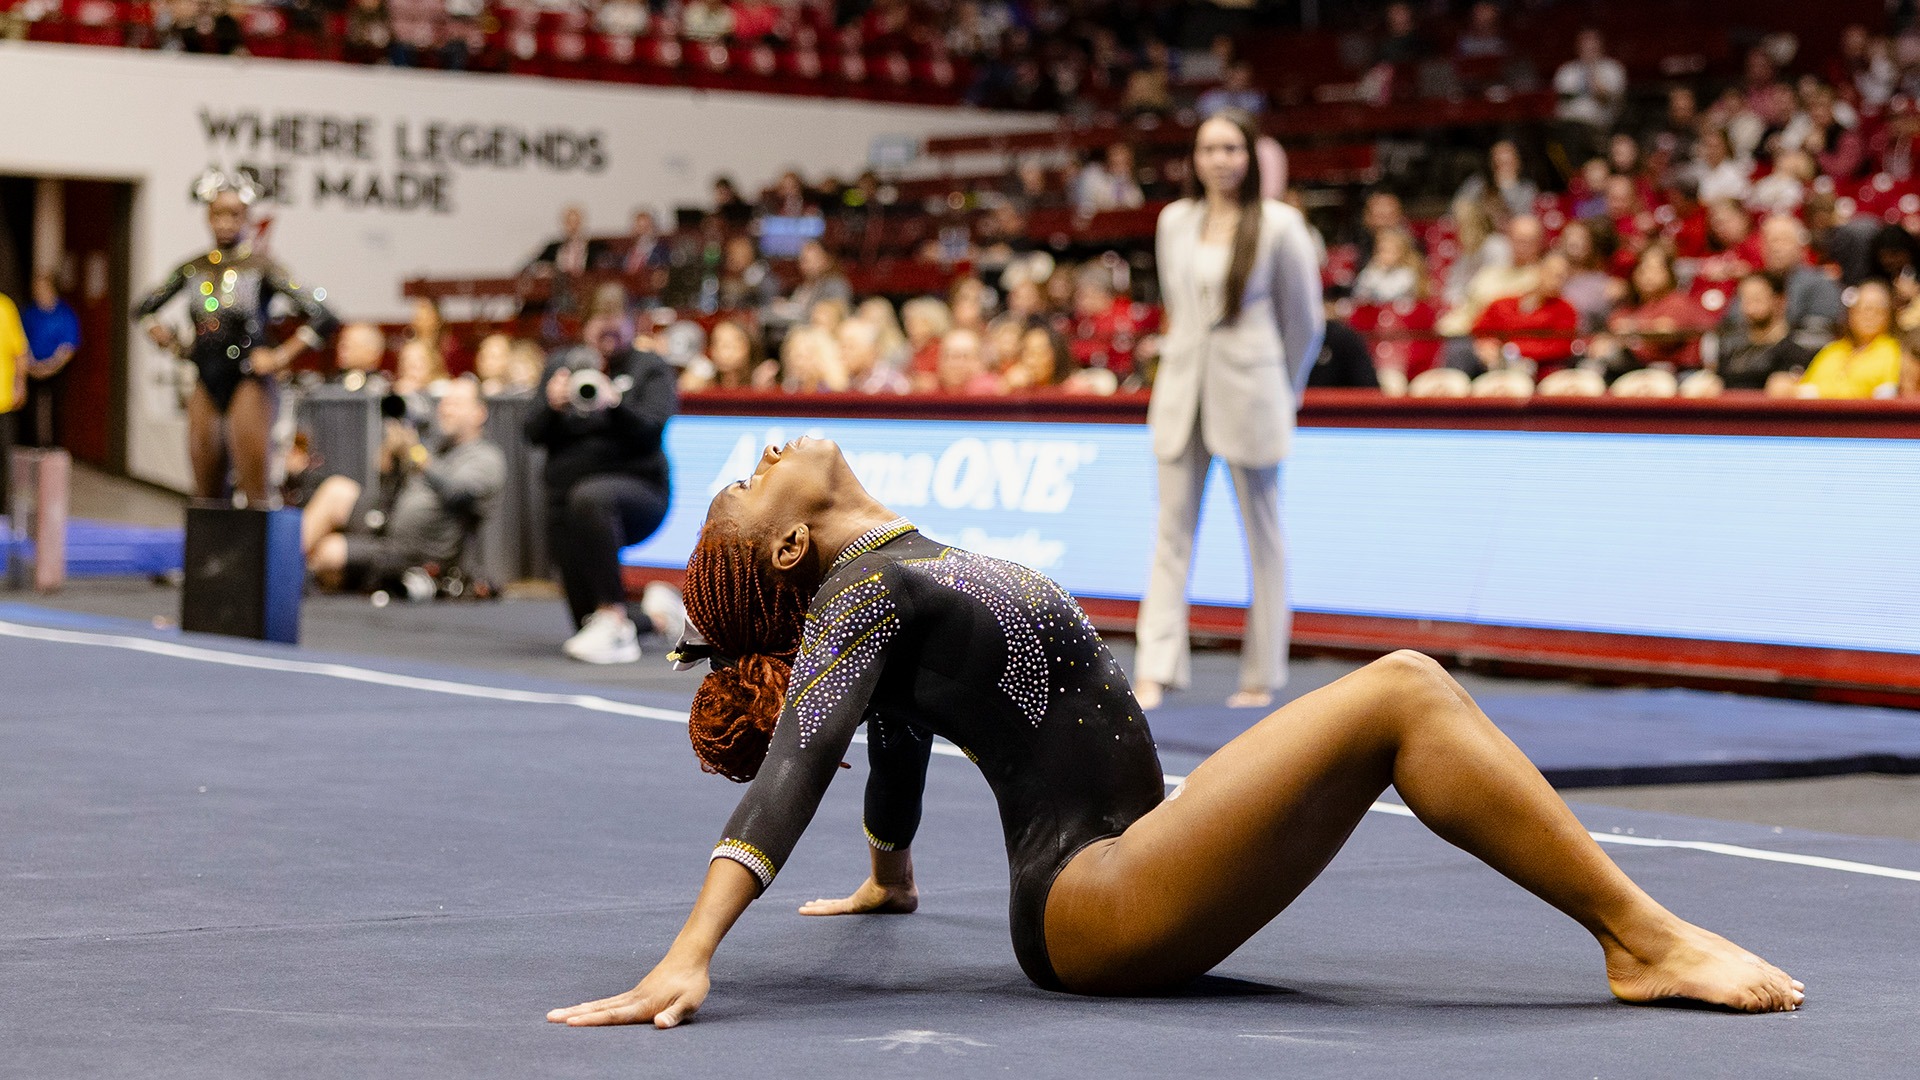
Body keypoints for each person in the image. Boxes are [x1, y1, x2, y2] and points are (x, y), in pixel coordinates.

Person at [546, 436, 1803, 1028]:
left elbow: (893, 740)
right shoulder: (861, 597)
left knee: (1414, 693)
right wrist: (690, 954)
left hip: (1129, 859)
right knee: (1407, 687)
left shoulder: (895, 575)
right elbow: (801, 756)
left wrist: (891, 875)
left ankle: (1640, 934)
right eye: (748, 478)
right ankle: (1640, 942)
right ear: (781, 543)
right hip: (1091, 902)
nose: (762, 451)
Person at [1135, 109, 1323, 712]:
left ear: (1250, 156)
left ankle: (1262, 673)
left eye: (1232, 149)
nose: (1220, 160)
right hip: (1182, 392)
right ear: (1195, 158)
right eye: (1209, 149)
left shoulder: (1281, 226)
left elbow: (1306, 324)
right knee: (1170, 536)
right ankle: (1154, 669)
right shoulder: (1174, 222)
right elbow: (1176, 309)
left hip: (1253, 393)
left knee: (1263, 537)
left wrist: (1281, 392)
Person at [133, 173, 338, 503]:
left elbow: (324, 314)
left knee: (253, 484)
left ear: (248, 218)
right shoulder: (194, 267)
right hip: (205, 375)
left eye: (235, 215)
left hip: (248, 378)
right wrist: (169, 341)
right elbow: (143, 308)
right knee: (204, 485)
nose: (226, 223)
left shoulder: (261, 266)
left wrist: (280, 356)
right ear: (207, 216)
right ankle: (209, 552)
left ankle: (255, 551)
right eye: (218, 214)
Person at [526, 315, 678, 663]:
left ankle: (614, 615)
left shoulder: (648, 367)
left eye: (615, 329)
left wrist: (615, 404)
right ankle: (655, 618)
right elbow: (531, 433)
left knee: (591, 496)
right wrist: (551, 405)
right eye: (600, 329)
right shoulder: (561, 366)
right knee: (585, 624)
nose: (607, 339)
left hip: (639, 493)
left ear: (631, 325)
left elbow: (654, 428)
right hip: (564, 503)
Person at [301, 376, 506, 592]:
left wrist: (416, 454)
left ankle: (300, 578)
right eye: (444, 403)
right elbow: (389, 492)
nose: (446, 410)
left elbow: (458, 493)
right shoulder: (436, 447)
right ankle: (279, 570)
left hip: (419, 553)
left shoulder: (486, 457)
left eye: (456, 404)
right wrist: (391, 460)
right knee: (336, 490)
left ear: (479, 413)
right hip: (389, 526)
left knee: (329, 551)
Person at [1709, 274, 1815, 390]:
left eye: (1757, 298)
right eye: (1744, 298)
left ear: (1780, 301)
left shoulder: (1796, 350)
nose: (1750, 306)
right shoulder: (1730, 348)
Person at [1797, 279, 1900, 398]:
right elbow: (1805, 389)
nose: (1869, 315)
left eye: (1877, 309)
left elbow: (1886, 396)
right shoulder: (1832, 350)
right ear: (1850, 313)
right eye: (1863, 308)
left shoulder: (1893, 352)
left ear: (1889, 314)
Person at [19, 272, 81, 448]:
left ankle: (53, 448)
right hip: (32, 368)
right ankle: (30, 446)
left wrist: (50, 366)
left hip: (56, 369)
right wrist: (32, 366)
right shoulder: (30, 313)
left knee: (56, 410)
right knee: (29, 411)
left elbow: (69, 345)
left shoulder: (64, 313)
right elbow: (21, 340)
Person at [0, 288, 27, 509]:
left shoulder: (5, 307)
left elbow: (19, 351)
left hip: (3, 401)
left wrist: (20, 384)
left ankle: (3, 508)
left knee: (3, 458)